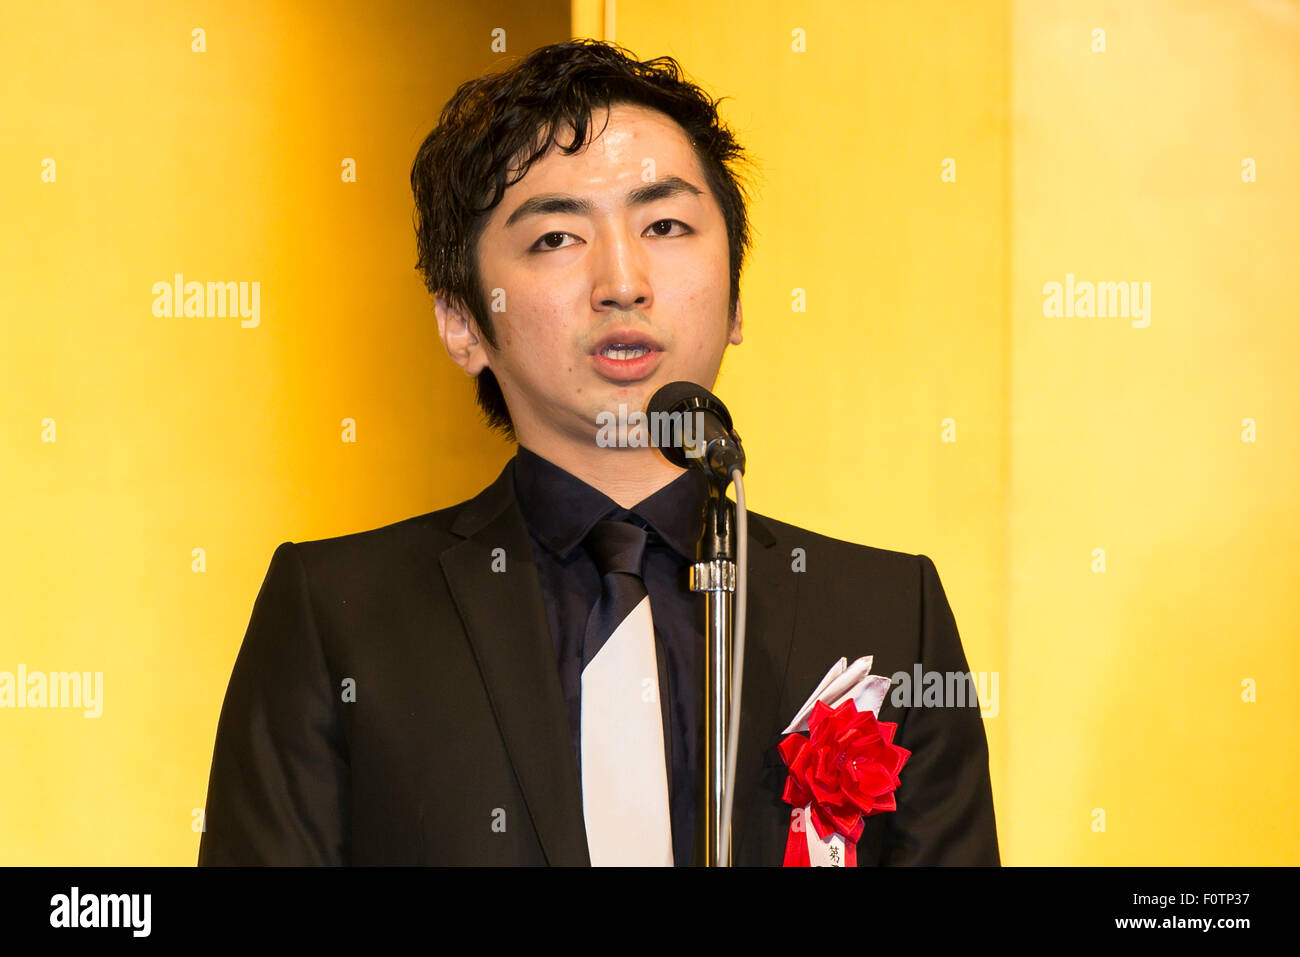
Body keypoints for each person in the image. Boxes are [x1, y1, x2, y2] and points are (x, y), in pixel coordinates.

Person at [197, 39, 999, 866]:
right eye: (555, 239)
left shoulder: (887, 614)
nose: (623, 279)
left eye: (665, 224)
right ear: (461, 320)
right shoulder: (340, 617)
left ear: (735, 296)